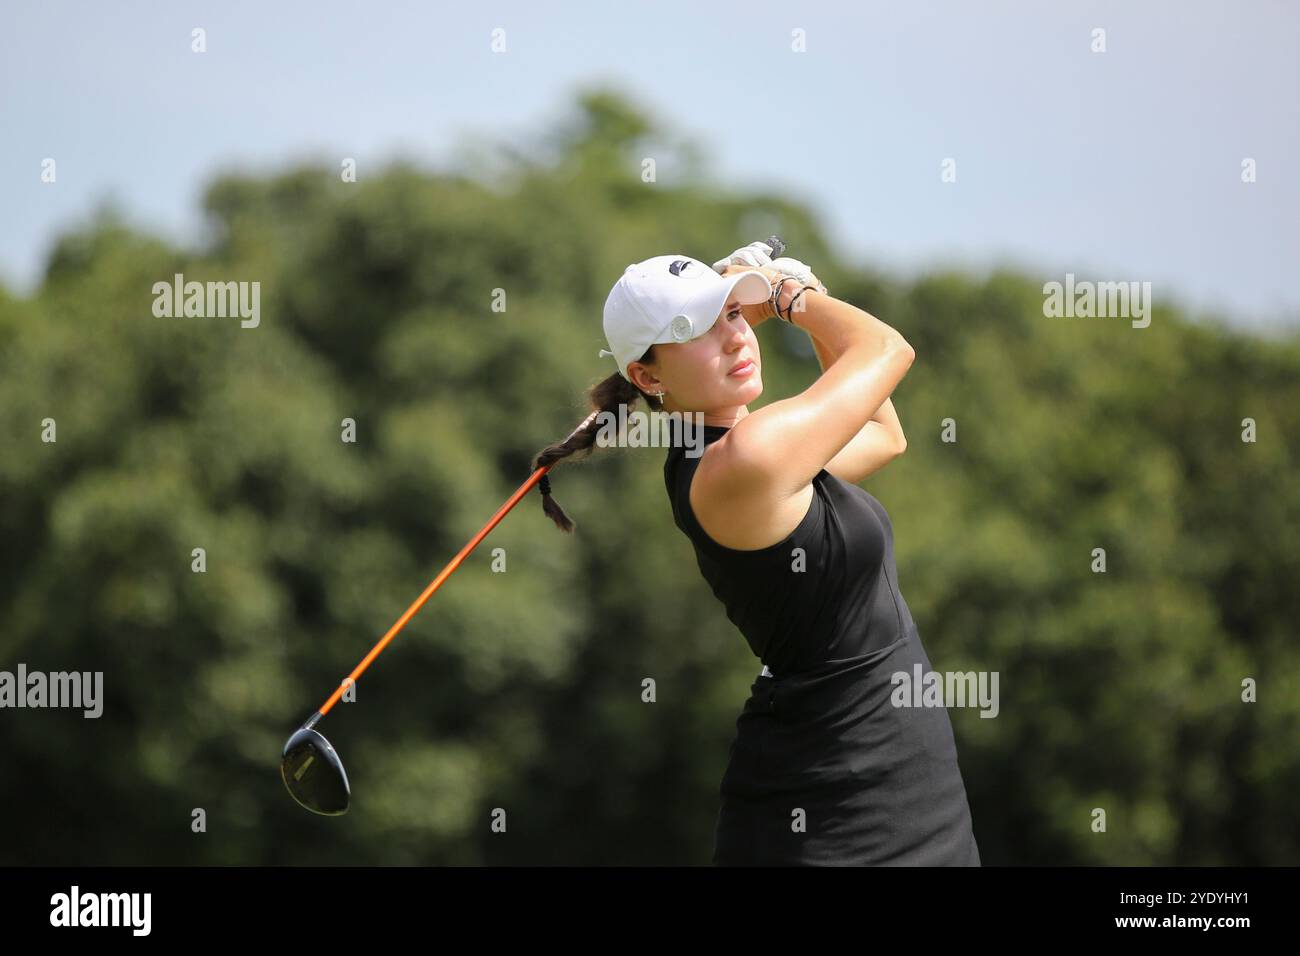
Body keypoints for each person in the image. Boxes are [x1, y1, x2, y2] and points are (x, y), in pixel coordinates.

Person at [530, 242, 981, 866]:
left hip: (890, 777)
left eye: (732, 318)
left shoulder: (740, 451)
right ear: (648, 377)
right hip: (842, 811)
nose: (736, 340)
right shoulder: (746, 460)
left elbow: (883, 435)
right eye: (696, 332)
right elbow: (887, 350)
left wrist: (753, 301)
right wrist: (789, 297)